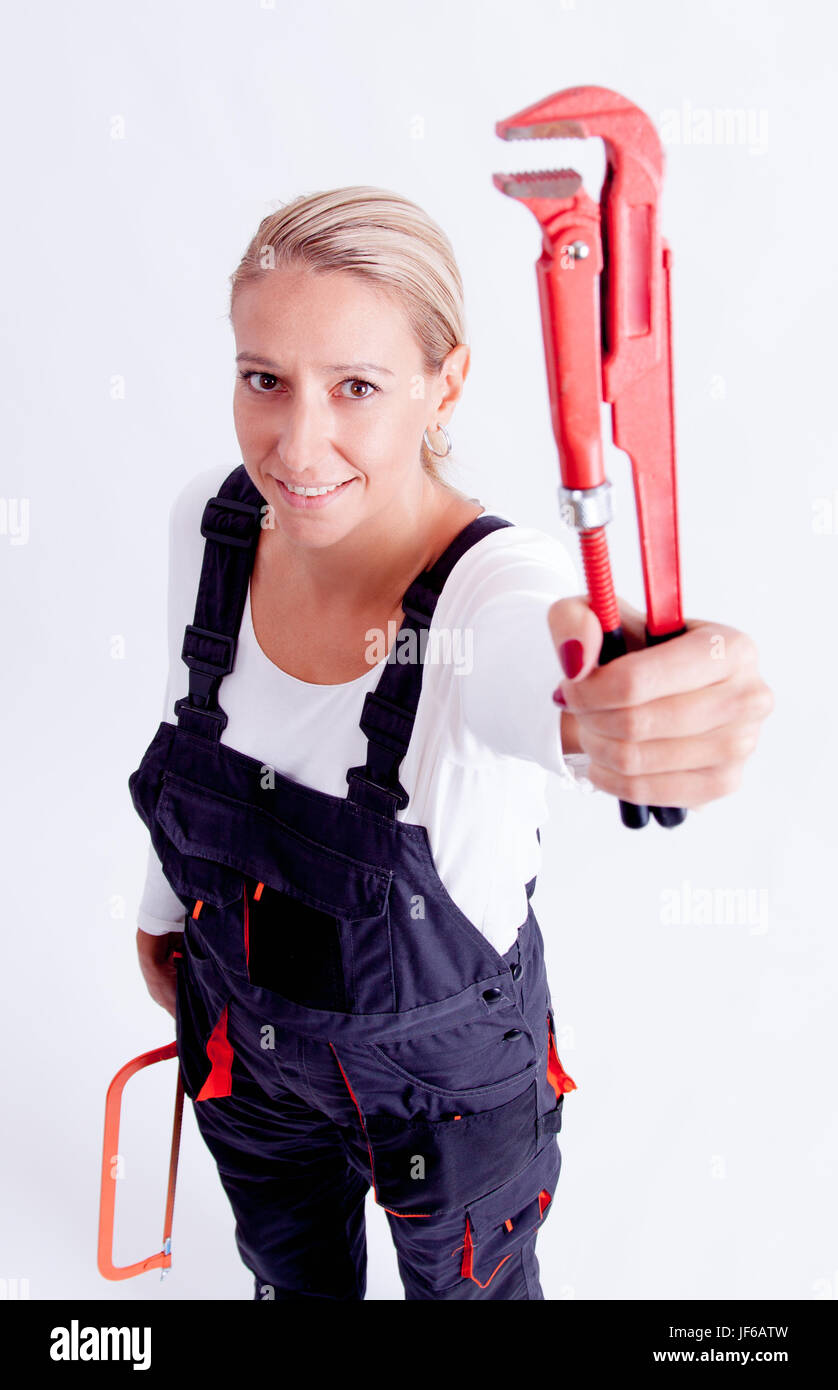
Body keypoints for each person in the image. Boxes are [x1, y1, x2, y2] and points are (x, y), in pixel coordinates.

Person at [130, 186, 774, 1301]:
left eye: (358, 388)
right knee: (289, 1278)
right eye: (263, 378)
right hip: (247, 1041)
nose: (296, 443)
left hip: (446, 1094)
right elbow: (199, 729)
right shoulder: (212, 522)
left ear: (446, 383)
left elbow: (559, 674)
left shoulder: (488, 597)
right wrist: (159, 912)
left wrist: (637, 707)